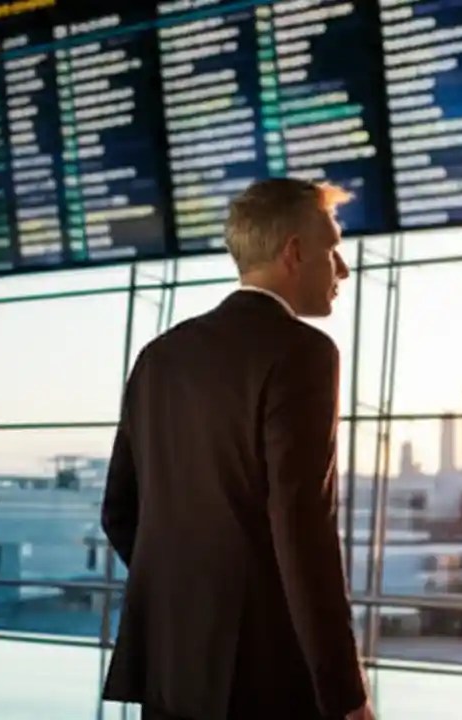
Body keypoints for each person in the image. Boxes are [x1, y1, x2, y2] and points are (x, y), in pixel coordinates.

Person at [100, 178, 374, 720]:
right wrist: (346, 694)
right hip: (261, 674)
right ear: (295, 253)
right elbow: (302, 528)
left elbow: (119, 512)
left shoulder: (160, 355)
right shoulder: (304, 353)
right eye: (333, 250)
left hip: (171, 667)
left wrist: (197, 595)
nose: (342, 270)